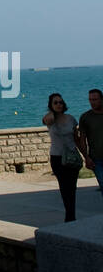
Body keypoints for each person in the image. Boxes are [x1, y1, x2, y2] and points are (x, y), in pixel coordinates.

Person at [42, 94, 81, 222]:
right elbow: (46, 120)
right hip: (57, 158)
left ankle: (71, 215)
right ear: (51, 105)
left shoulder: (71, 119)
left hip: (72, 156)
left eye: (61, 102)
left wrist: (85, 155)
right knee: (64, 187)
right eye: (56, 102)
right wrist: (53, 111)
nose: (59, 104)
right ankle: (69, 216)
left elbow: (77, 139)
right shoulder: (50, 119)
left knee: (72, 187)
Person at [77, 87, 103, 200]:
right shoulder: (85, 117)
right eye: (90, 100)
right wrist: (86, 157)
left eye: (95, 99)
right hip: (97, 159)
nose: (92, 102)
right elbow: (82, 139)